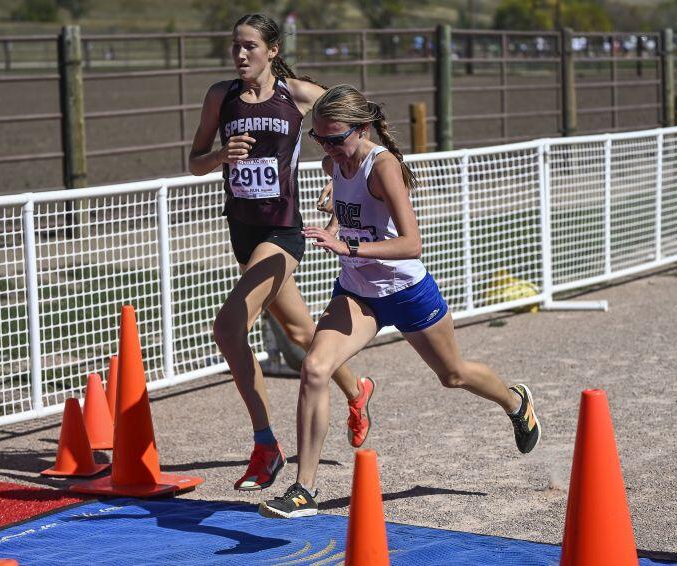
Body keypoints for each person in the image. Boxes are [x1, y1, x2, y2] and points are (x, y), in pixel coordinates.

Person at [259, 85, 542, 518]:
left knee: (453, 374)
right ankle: (304, 490)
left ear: (363, 129)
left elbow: (412, 244)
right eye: (320, 139)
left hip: (406, 291)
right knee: (315, 368)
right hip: (358, 293)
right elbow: (356, 210)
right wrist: (337, 209)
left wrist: (347, 248)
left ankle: (515, 402)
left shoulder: (383, 166)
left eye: (336, 139)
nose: (329, 148)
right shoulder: (333, 162)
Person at [188, 15, 375, 492]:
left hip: (283, 231)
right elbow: (193, 163)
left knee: (228, 328)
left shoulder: (299, 94)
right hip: (243, 230)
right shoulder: (220, 96)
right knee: (299, 329)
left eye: (250, 46)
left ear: (272, 50)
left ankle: (266, 446)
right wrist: (219, 158)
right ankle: (357, 390)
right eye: (235, 47)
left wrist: (341, 178)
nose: (240, 55)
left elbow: (353, 121)